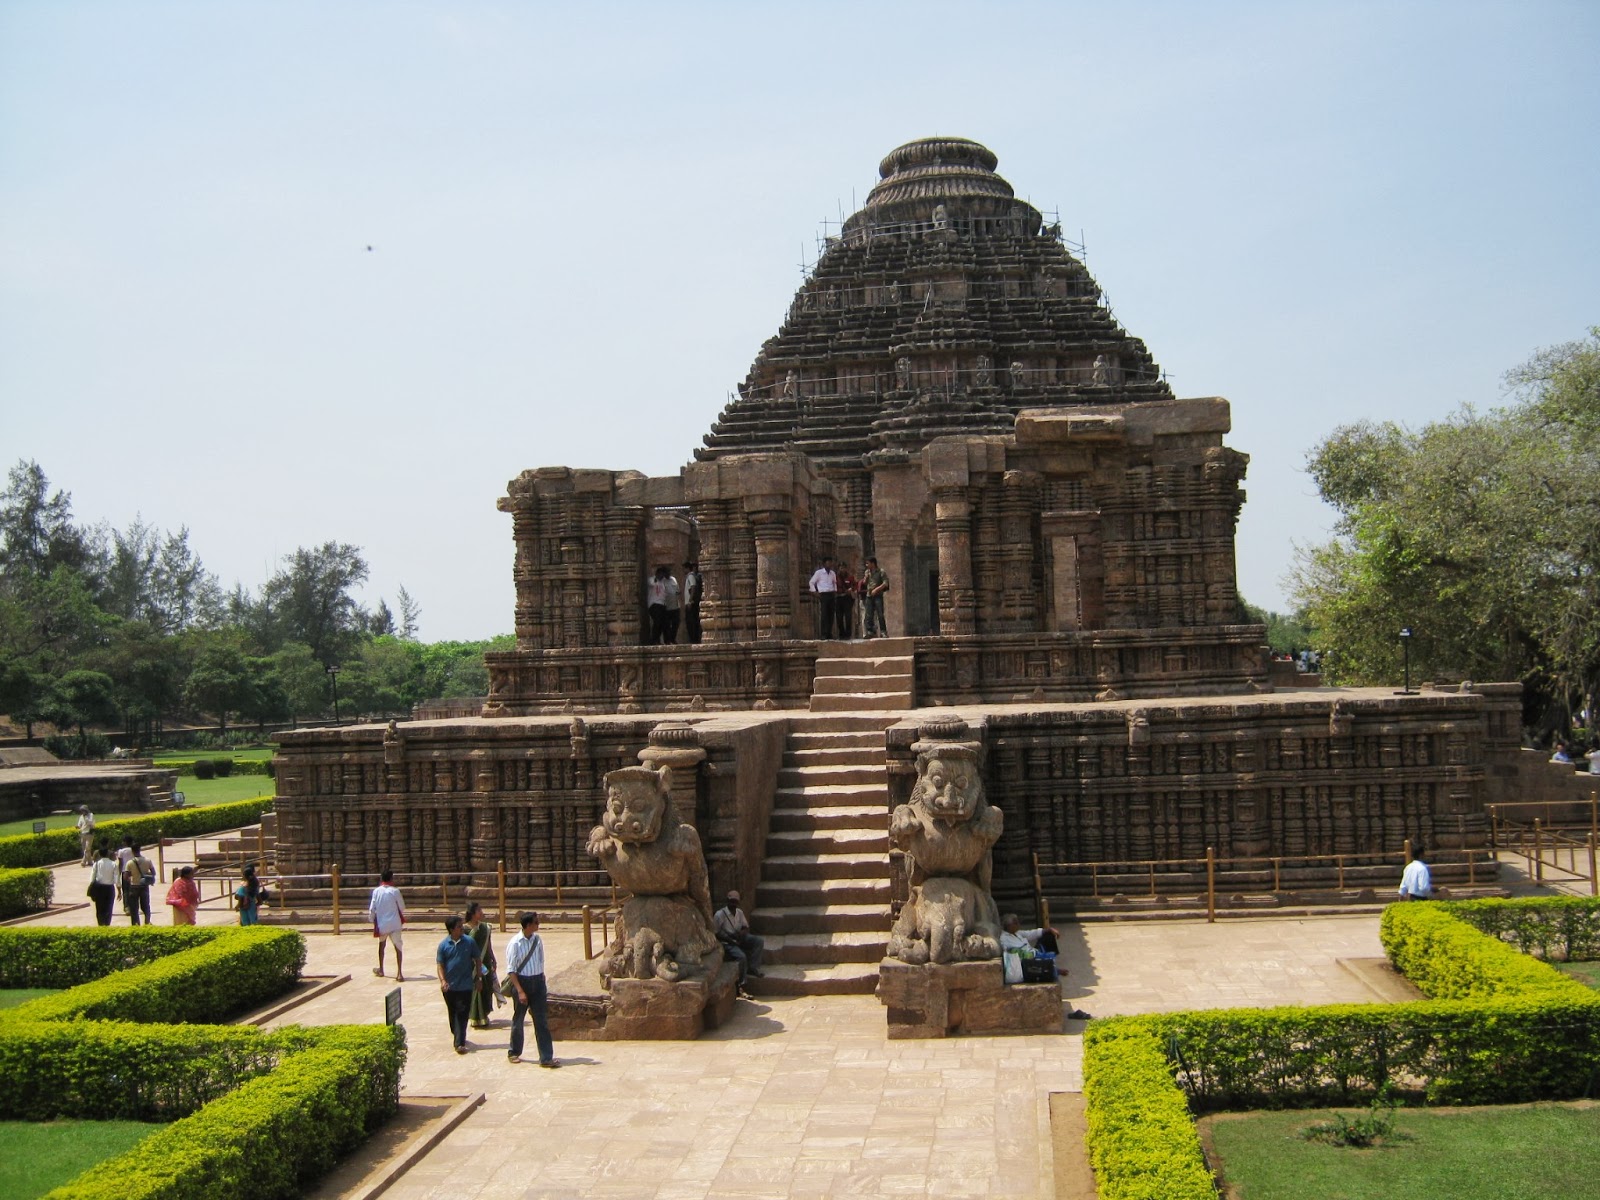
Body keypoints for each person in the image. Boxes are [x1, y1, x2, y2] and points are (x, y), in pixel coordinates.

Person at [504, 910, 559, 1067]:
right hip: (522, 982)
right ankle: (514, 1051)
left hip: (538, 982)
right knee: (519, 1019)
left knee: (541, 1020)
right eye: (536, 922)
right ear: (528, 925)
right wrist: (520, 991)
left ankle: (546, 1057)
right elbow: (512, 970)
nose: (538, 924)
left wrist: (542, 979)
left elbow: (541, 960)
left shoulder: (537, 940)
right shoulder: (515, 943)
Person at [435, 914, 481, 1054]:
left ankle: (459, 1042)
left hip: (466, 985)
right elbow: (440, 965)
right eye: (459, 927)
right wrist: (443, 981)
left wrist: (478, 978)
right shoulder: (443, 945)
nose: (462, 929)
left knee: (462, 1012)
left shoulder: (469, 942)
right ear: (451, 929)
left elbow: (478, 960)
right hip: (450, 986)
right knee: (453, 1012)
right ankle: (457, 1034)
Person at [714, 890, 764, 991]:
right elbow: (715, 933)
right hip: (727, 942)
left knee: (758, 941)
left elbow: (746, 927)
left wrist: (741, 933)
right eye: (731, 901)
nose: (733, 904)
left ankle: (753, 967)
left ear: (738, 903)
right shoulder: (720, 915)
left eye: (735, 902)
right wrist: (729, 939)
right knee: (742, 957)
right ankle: (742, 984)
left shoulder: (739, 913)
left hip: (738, 937)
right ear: (727, 901)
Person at [367, 869, 407, 981]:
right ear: (391, 879)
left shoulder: (376, 891)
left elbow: (372, 908)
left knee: (381, 945)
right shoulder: (395, 891)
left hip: (382, 923)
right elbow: (402, 907)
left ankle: (381, 969)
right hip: (394, 923)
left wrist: (371, 919)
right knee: (398, 948)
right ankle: (399, 973)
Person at [1000, 913, 1060, 984]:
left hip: (1034, 952)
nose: (1018, 924)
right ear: (1009, 926)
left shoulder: (1018, 933)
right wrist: (1035, 954)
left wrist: (1049, 929)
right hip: (1026, 960)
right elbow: (1017, 953)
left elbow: (1031, 933)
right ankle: (1053, 968)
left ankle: (1052, 964)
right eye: (1016, 923)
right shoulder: (1005, 939)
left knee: (1048, 935)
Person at [466, 901, 498, 1029]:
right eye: (479, 911)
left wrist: (493, 958)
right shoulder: (464, 929)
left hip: (484, 962)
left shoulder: (485, 928)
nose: (482, 913)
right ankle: (475, 1016)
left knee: (486, 987)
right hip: (471, 964)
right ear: (472, 914)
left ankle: (484, 1013)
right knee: (476, 989)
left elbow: (488, 945)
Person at [122, 842, 155, 926]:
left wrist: (131, 877)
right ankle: (147, 921)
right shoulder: (148, 860)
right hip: (144, 886)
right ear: (140, 849)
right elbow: (153, 872)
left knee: (134, 907)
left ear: (132, 851)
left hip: (134, 886)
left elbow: (126, 876)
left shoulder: (129, 863)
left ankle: (136, 924)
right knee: (146, 905)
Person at [646, 565, 680, 645]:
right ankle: (653, 640)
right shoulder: (652, 580)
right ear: (658, 573)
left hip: (663, 604)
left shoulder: (663, 582)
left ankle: (663, 640)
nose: (662, 576)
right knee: (657, 622)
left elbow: (670, 590)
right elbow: (651, 583)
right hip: (654, 604)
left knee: (664, 623)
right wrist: (656, 579)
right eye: (661, 574)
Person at [808, 556, 839, 640]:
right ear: (824, 564)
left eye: (831, 562)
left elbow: (834, 583)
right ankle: (823, 634)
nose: (829, 564)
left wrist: (835, 591)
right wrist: (815, 592)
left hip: (831, 594)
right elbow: (811, 582)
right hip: (823, 594)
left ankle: (829, 633)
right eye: (828, 562)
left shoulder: (833, 573)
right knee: (824, 615)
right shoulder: (819, 573)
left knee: (831, 615)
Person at [87, 845, 118, 926]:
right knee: (109, 907)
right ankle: (107, 924)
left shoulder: (96, 864)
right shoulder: (113, 864)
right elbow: (116, 879)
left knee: (99, 908)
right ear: (108, 854)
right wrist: (119, 890)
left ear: (99, 855)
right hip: (109, 888)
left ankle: (100, 924)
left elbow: (92, 878)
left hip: (99, 889)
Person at [861, 556, 890, 638]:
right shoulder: (867, 572)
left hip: (878, 596)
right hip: (869, 595)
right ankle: (870, 631)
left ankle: (883, 631)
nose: (867, 565)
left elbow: (885, 583)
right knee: (869, 614)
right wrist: (866, 578)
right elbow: (865, 583)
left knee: (880, 614)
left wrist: (877, 590)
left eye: (868, 563)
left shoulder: (881, 572)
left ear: (873, 563)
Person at [835, 562, 858, 639]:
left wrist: (851, 589)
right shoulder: (835, 577)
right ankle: (841, 634)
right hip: (838, 598)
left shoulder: (850, 577)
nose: (842, 570)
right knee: (839, 617)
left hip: (847, 598)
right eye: (841, 568)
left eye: (843, 568)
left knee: (848, 617)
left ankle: (848, 634)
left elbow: (855, 585)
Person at [682, 561, 703, 644]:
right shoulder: (690, 576)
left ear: (687, 568)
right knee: (692, 621)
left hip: (691, 603)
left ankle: (694, 639)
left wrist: (690, 601)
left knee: (691, 621)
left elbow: (693, 587)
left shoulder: (690, 576)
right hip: (691, 602)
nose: (683, 570)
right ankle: (694, 639)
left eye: (684, 568)